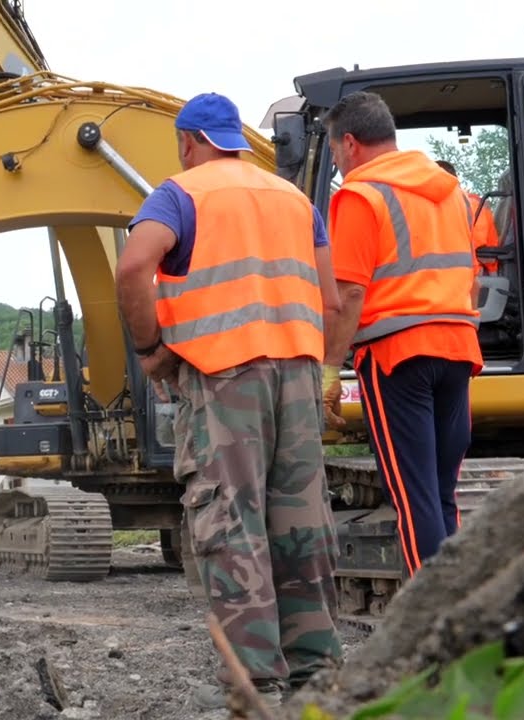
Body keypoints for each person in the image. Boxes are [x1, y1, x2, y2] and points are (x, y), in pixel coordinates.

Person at [115, 91, 345, 710]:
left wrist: (149, 350)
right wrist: (318, 368)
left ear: (190, 142)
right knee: (301, 525)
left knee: (231, 525)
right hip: (297, 374)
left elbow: (134, 267)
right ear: (238, 141)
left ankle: (256, 689)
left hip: (223, 380)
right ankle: (317, 681)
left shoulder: (180, 194)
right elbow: (332, 300)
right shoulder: (296, 200)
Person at [321, 91, 483, 579]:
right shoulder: (450, 191)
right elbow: (470, 278)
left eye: (332, 153)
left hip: (397, 355)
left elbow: (349, 294)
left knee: (413, 498)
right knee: (439, 491)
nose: (336, 163)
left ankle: (434, 624)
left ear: (349, 143)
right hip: (458, 348)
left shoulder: (359, 195)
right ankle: (457, 609)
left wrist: (329, 371)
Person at [435, 159, 500, 274]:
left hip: (471, 272)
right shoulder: (475, 202)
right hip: (480, 269)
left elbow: (478, 245)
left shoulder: (434, 206)